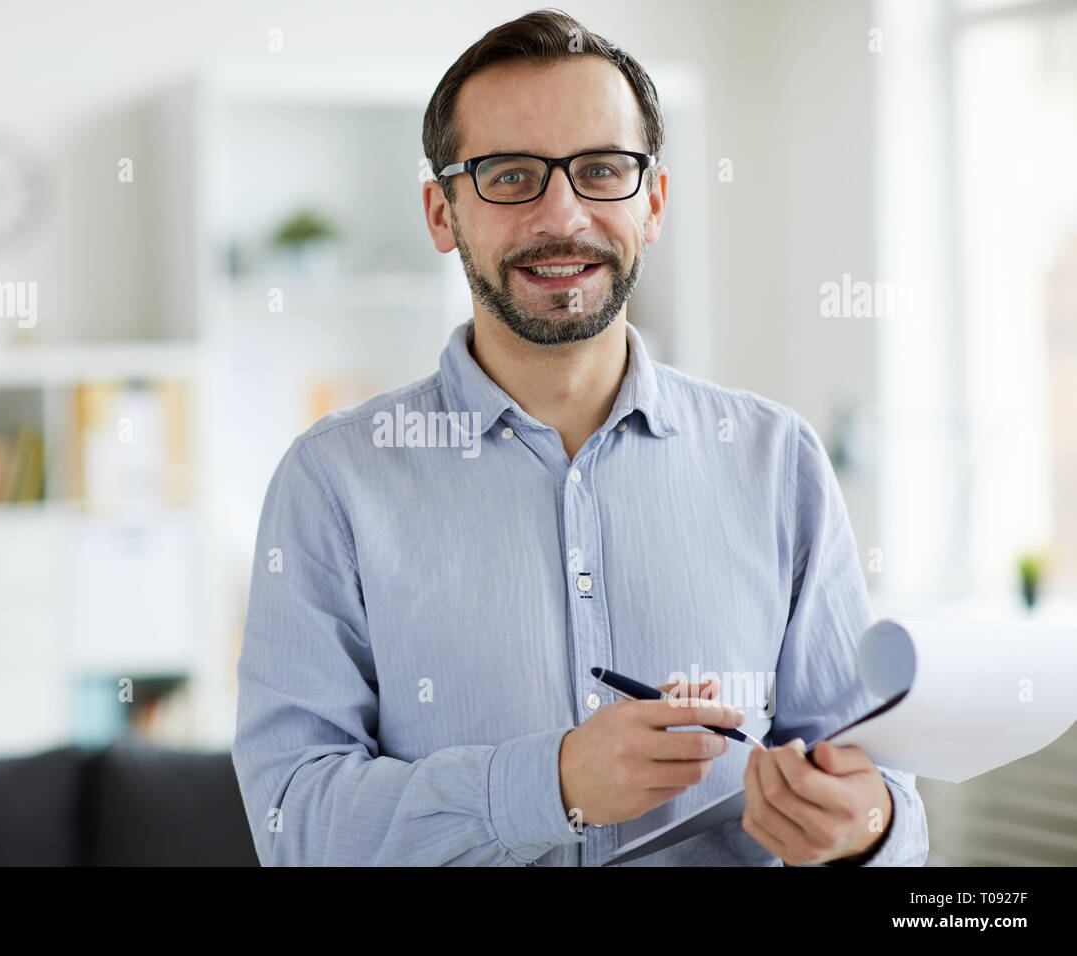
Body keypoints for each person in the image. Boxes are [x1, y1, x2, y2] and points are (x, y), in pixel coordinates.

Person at [232, 8, 929, 867]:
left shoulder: (777, 462)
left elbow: (883, 792)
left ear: (656, 201)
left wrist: (867, 830)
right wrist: (553, 784)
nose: (562, 215)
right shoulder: (332, 482)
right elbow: (293, 824)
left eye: (602, 170)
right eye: (511, 176)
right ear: (442, 214)